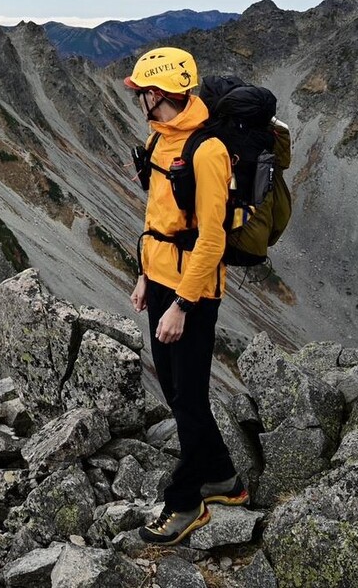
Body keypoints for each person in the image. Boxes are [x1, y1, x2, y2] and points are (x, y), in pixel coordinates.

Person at [124, 46, 248, 545]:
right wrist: (146, 277)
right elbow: (159, 221)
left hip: (191, 293)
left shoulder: (207, 150)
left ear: (160, 94)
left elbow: (211, 238)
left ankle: (186, 502)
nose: (139, 101)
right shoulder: (160, 141)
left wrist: (181, 304)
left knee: (189, 397)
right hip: (161, 283)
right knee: (180, 394)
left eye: (142, 93)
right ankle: (224, 478)